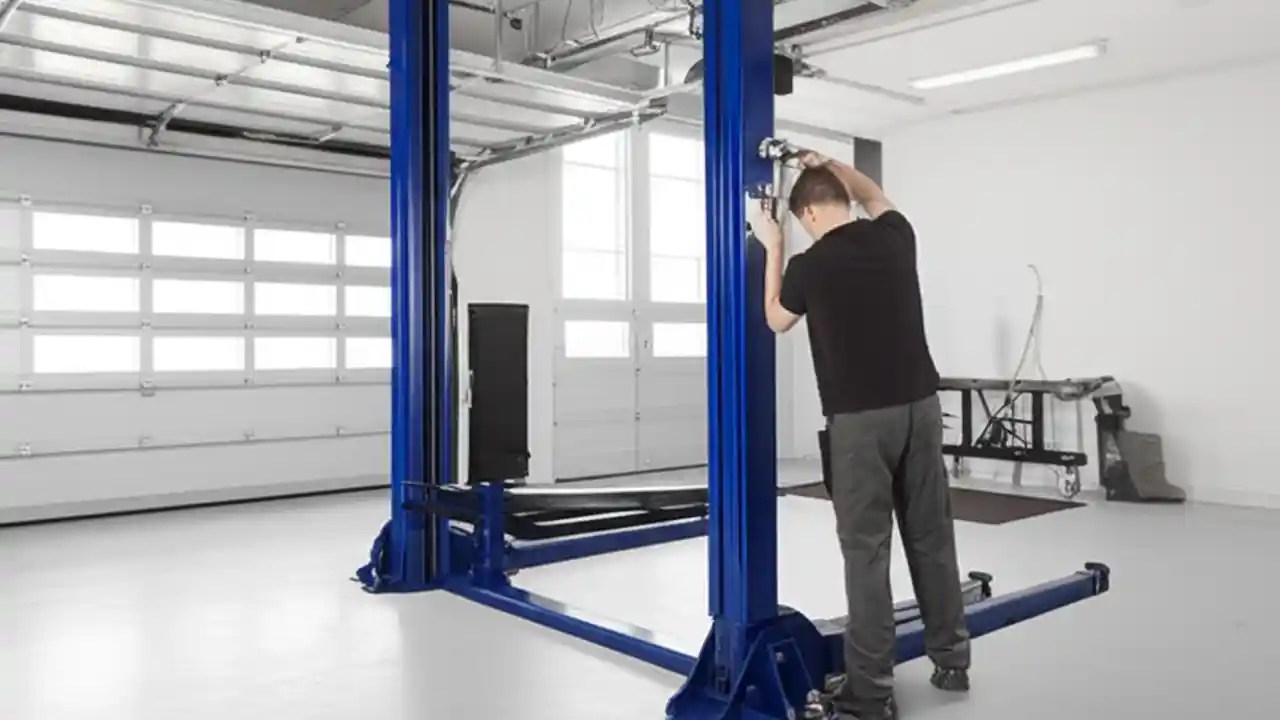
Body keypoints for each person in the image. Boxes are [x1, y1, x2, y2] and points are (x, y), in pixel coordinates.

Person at [748, 150, 971, 720]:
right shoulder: (896, 237)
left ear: (808, 215)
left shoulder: (811, 265)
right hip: (921, 409)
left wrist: (772, 245)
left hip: (859, 424)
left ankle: (869, 694)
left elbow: (775, 319)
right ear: (841, 201)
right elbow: (875, 195)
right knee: (931, 535)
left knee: (867, 554)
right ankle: (952, 659)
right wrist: (831, 164)